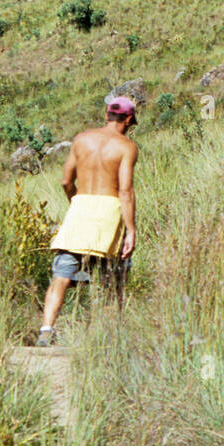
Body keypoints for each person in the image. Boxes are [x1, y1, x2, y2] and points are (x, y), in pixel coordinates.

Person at [35, 96, 138, 345]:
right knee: (112, 279)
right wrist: (131, 230)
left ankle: (46, 330)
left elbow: (65, 181)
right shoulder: (127, 147)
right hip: (110, 212)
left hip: (80, 209)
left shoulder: (81, 139)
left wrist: (77, 202)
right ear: (128, 119)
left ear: (106, 116)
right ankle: (107, 337)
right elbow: (125, 190)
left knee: (61, 274)